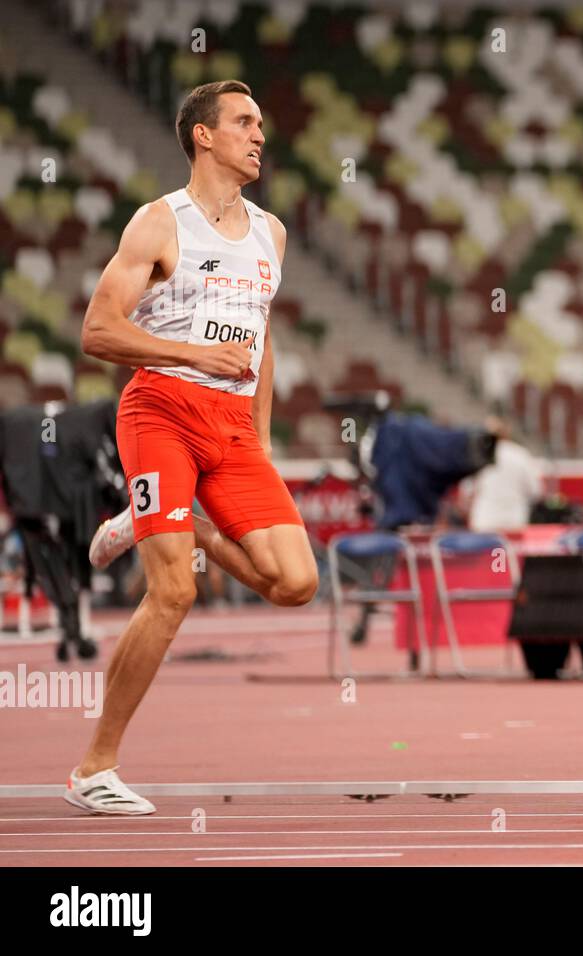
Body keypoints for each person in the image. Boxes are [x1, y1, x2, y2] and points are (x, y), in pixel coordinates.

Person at [70, 80, 318, 814]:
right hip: (162, 413)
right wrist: (189, 354)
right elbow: (97, 331)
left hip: (235, 429)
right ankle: (95, 769)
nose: (259, 135)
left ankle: (158, 518)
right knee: (173, 592)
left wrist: (263, 440)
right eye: (244, 122)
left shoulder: (272, 233)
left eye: (262, 124)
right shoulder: (159, 223)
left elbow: (261, 342)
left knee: (295, 583)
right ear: (202, 136)